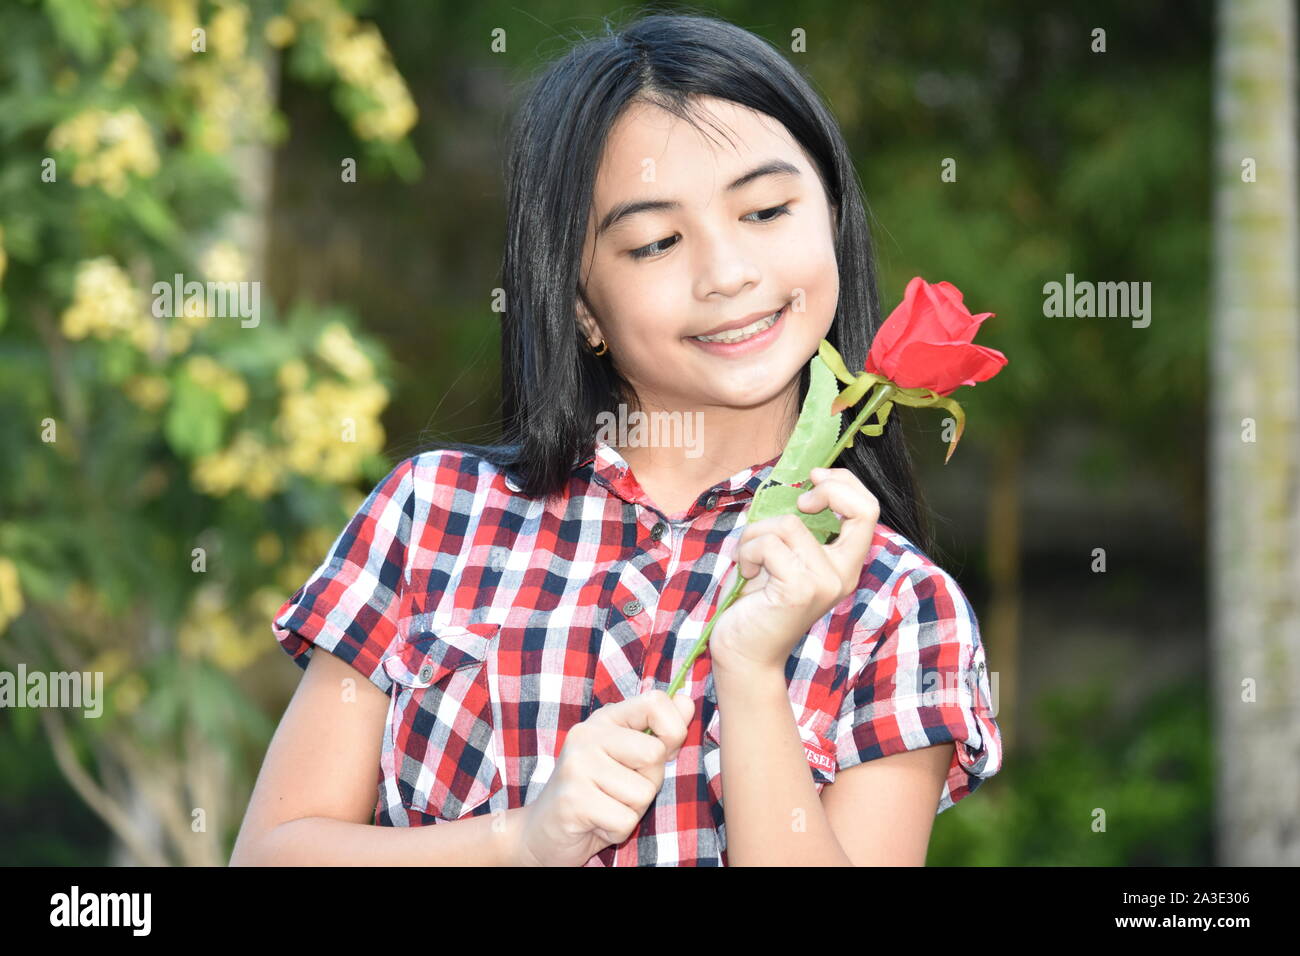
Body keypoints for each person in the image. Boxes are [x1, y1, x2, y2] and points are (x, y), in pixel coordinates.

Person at [230, 11, 1002, 867]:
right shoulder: (434, 517)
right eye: (655, 242)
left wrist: (749, 678)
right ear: (581, 304)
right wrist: (520, 839)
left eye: (767, 209)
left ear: (831, 216)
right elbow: (271, 854)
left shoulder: (897, 605)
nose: (728, 273)